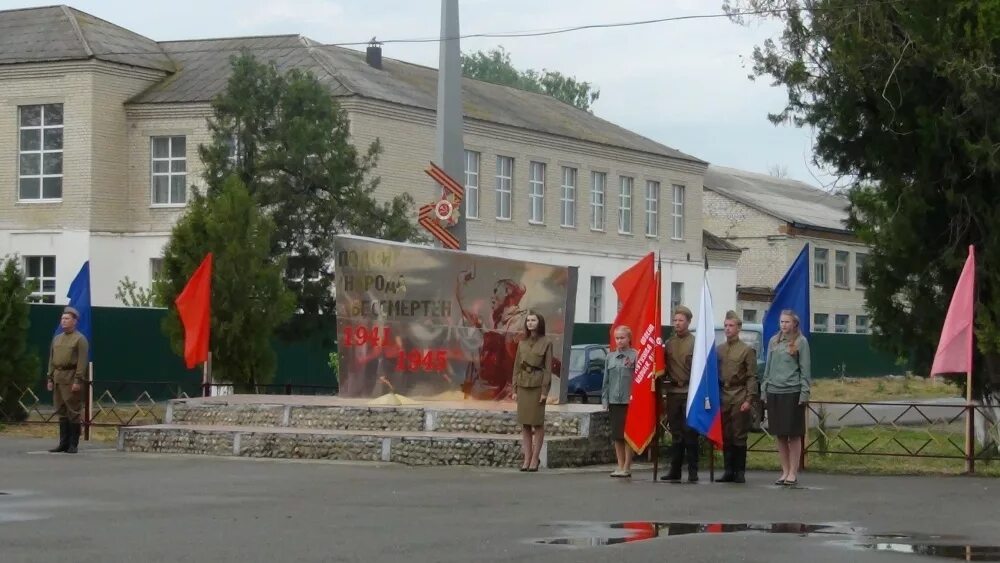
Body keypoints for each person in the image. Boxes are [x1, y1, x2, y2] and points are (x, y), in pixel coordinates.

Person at [761, 309, 811, 486]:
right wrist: (764, 389)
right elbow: (768, 366)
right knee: (780, 434)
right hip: (774, 391)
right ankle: (784, 471)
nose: (783, 325)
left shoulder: (801, 342)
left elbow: (805, 369)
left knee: (794, 434)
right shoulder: (773, 341)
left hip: (792, 391)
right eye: (781, 322)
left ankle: (793, 472)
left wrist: (804, 393)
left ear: (794, 324)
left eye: (787, 322)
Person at [716, 311, 758, 484]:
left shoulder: (746, 350)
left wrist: (749, 399)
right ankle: (728, 470)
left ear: (739, 328)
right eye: (725, 326)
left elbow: (751, 377)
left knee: (738, 435)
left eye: (731, 326)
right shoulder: (719, 350)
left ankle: (740, 471)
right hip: (722, 395)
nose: (727, 329)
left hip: (739, 394)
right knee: (726, 435)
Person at [660, 306, 699, 482]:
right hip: (674, 392)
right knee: (676, 433)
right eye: (675, 320)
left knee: (690, 433)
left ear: (689, 322)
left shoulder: (695, 342)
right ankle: (674, 470)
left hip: (690, 392)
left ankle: (693, 471)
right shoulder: (669, 344)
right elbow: (663, 368)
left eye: (680, 320)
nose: (677, 323)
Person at [511, 311, 552, 471]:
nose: (530, 323)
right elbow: (516, 367)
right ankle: (527, 458)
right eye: (528, 320)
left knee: (537, 423)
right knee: (525, 424)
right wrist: (514, 388)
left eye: (533, 320)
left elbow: (548, 369)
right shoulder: (522, 343)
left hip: (537, 385)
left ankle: (535, 458)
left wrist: (544, 392)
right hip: (523, 385)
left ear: (539, 322)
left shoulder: (546, 342)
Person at [46, 306, 89, 454]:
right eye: (62, 319)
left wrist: (78, 380)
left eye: (67, 319)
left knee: (73, 410)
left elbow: (82, 362)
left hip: (71, 377)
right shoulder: (57, 338)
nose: (63, 322)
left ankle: (73, 443)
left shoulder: (80, 339)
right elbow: (52, 359)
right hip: (58, 377)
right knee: (61, 410)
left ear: (74, 321)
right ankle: (63, 443)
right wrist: (50, 377)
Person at [602, 325, 638, 478]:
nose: (619, 341)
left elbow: (639, 379)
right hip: (614, 400)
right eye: (617, 338)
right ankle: (620, 464)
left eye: (622, 337)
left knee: (628, 435)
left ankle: (627, 466)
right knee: (617, 435)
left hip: (629, 401)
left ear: (629, 338)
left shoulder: (635, 355)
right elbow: (606, 381)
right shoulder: (610, 357)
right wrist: (605, 400)